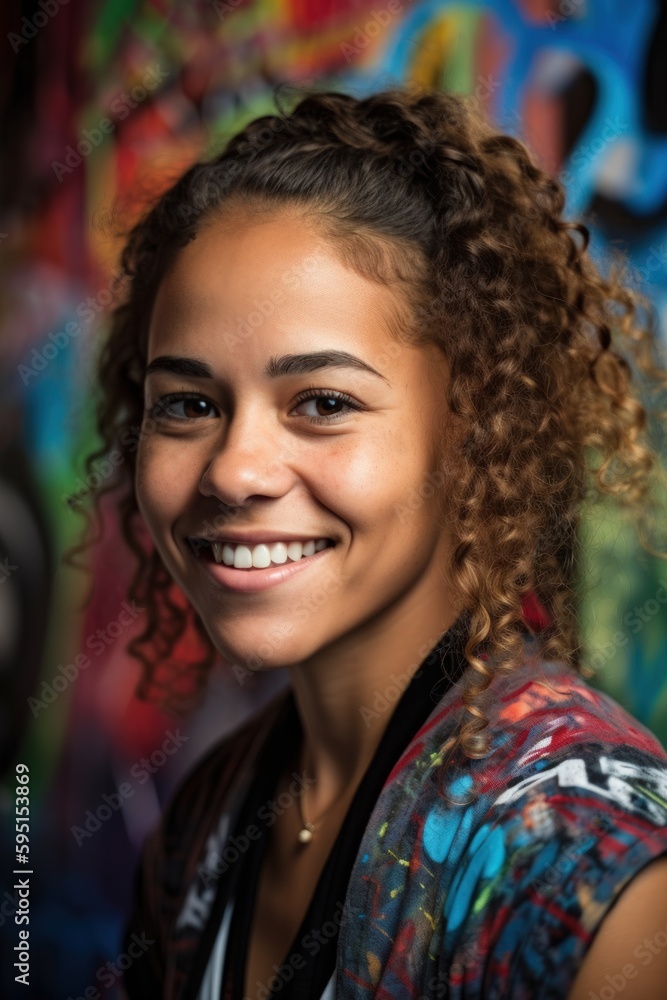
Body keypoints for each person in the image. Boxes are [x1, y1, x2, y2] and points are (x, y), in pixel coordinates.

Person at [71, 82, 667, 998]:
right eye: (187, 404)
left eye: (321, 403)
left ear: (476, 432)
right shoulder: (202, 828)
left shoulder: (589, 872)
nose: (233, 471)